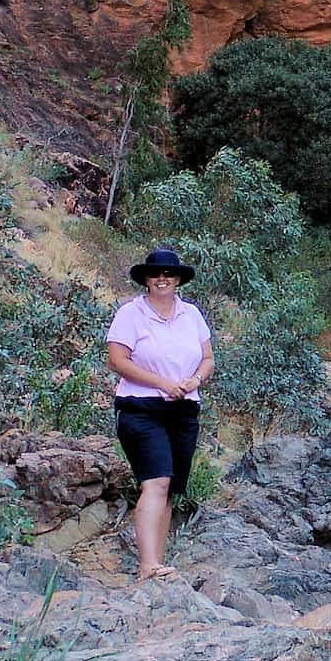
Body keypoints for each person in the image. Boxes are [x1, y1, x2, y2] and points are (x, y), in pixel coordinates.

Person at [106, 248, 214, 582]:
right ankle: (147, 566)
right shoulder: (130, 313)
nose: (162, 279)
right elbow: (118, 360)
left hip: (183, 410)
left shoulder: (192, 314)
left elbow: (208, 358)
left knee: (170, 487)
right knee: (156, 481)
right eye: (155, 274)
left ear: (178, 278)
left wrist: (194, 380)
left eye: (169, 273)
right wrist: (161, 383)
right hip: (141, 408)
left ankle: (157, 562)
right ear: (146, 280)